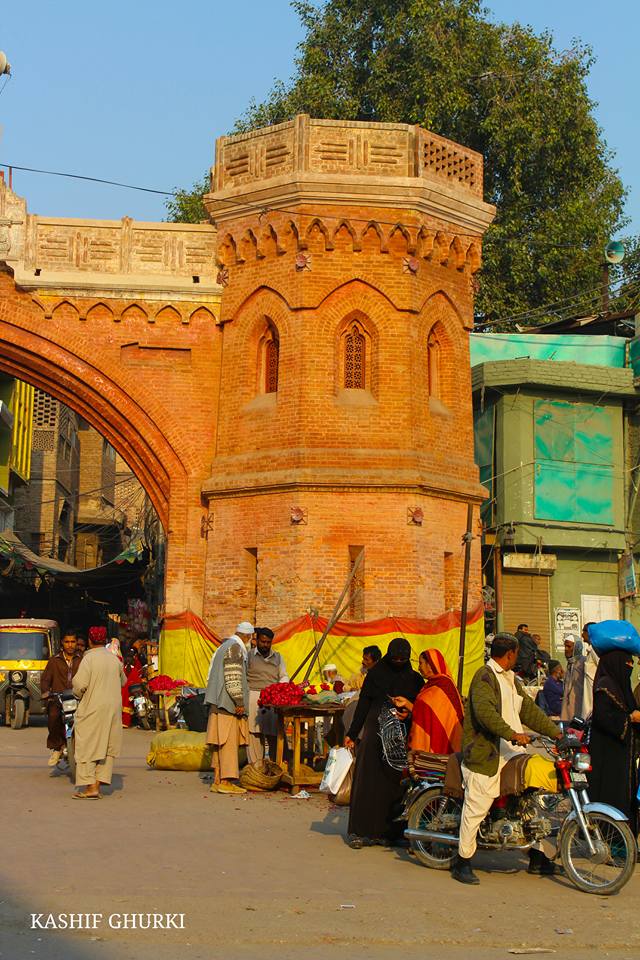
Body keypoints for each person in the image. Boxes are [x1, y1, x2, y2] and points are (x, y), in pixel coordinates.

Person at [452, 632, 562, 885]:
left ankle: (536, 857)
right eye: (517, 654)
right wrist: (512, 733)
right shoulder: (484, 676)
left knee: (525, 804)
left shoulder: (511, 679)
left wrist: (556, 733)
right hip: (486, 754)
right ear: (510, 654)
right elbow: (485, 713)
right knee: (477, 807)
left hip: (511, 752)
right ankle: (462, 861)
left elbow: (529, 711)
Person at [344, 637, 423, 848]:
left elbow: (420, 707)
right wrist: (352, 732)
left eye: (402, 659)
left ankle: (389, 833)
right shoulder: (375, 675)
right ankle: (360, 831)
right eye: (394, 658)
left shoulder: (414, 679)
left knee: (394, 783)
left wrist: (407, 712)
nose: (398, 662)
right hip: (375, 733)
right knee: (368, 781)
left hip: (400, 735)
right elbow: (363, 705)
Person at [71, 626, 127, 799]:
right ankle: (97, 784)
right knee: (105, 745)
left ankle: (90, 787)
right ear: (104, 640)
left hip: (92, 708)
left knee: (88, 745)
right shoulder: (114, 660)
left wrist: (78, 695)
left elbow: (79, 686)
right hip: (112, 709)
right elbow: (123, 682)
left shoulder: (88, 660)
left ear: (89, 640)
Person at [588, 650, 640, 833]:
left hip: (622, 755)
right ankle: (614, 844)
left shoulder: (621, 686)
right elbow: (604, 718)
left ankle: (627, 842)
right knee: (613, 797)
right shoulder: (605, 687)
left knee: (626, 797)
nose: (630, 669)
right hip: (608, 756)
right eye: (626, 666)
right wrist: (630, 719)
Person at [204, 629, 252, 795]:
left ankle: (217, 780)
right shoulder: (235, 648)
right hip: (227, 705)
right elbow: (233, 677)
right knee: (228, 743)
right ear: (248, 637)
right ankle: (226, 781)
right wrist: (239, 701)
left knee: (219, 743)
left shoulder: (223, 647)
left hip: (217, 703)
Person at [393, 648, 464, 754]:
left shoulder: (444, 685)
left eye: (421, 663)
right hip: (439, 737)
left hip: (444, 740)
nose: (419, 668)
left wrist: (408, 704)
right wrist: (408, 707)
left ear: (430, 664)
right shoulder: (434, 684)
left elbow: (433, 714)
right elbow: (429, 714)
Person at [40, 630, 82, 766]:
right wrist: (46, 692)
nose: (70, 645)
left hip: (77, 698)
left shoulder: (82, 660)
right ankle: (57, 748)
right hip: (58, 698)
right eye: (67, 642)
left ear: (76, 643)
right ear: (62, 643)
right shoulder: (54, 660)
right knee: (53, 717)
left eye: (73, 642)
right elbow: (45, 680)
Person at [247, 627, 288, 763]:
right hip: (253, 697)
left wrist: (281, 690)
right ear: (257, 640)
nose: (265, 645)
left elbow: (283, 676)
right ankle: (256, 769)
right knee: (254, 734)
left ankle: (276, 767)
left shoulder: (278, 657)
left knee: (274, 734)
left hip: (272, 699)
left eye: (268, 642)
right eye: (263, 642)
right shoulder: (249, 656)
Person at [561, 627, 598, 721]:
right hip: (567, 705)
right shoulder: (569, 664)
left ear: (577, 647)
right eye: (565, 646)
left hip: (580, 704)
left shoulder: (583, 662)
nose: (566, 649)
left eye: (569, 646)